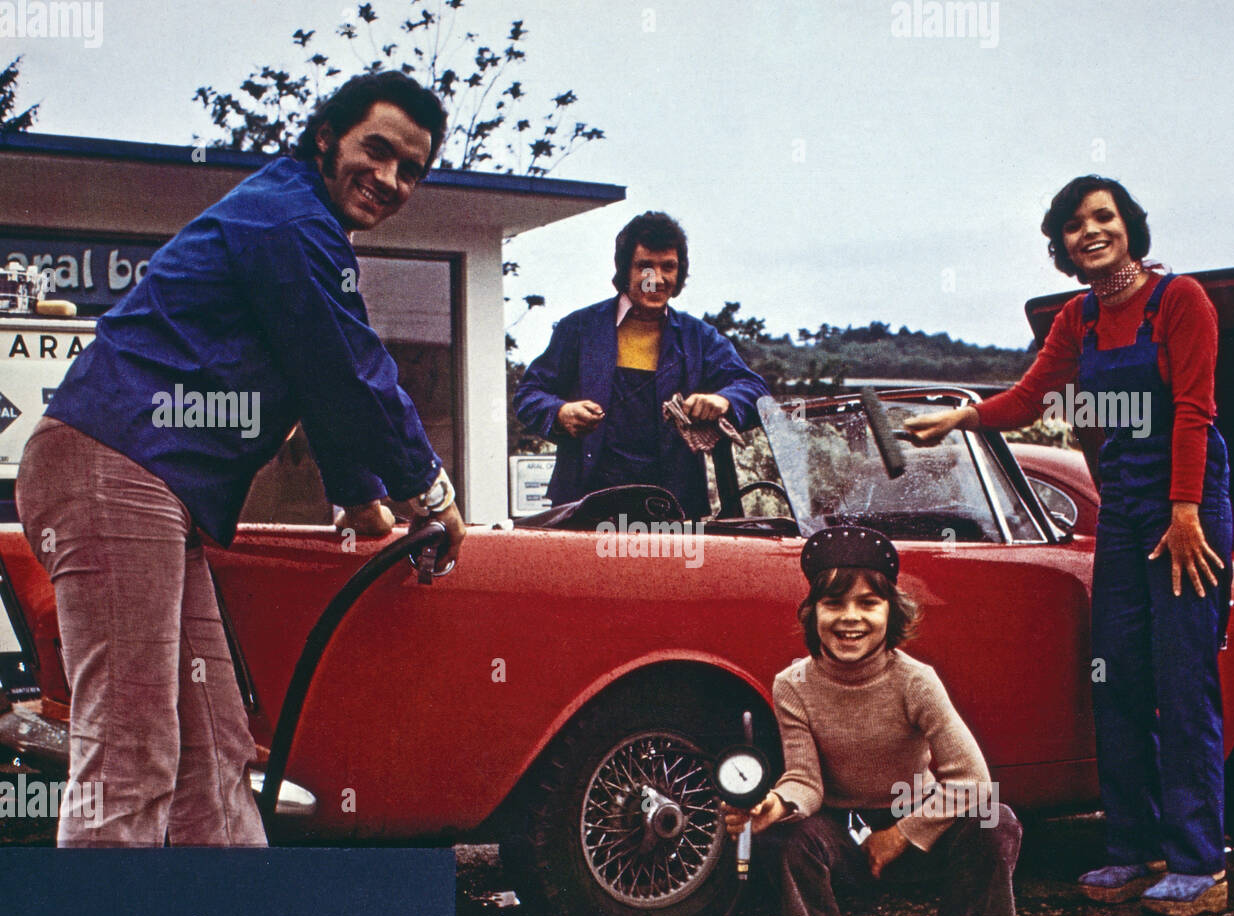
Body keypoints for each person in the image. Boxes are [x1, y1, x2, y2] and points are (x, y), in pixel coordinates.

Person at [15, 71, 466, 848]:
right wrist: (430, 491)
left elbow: (314, 376)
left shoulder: (298, 223)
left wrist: (360, 497)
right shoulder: (289, 219)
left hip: (151, 484)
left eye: (411, 170)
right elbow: (346, 368)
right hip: (115, 465)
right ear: (327, 138)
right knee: (132, 749)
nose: (390, 180)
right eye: (377, 150)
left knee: (214, 752)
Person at [904, 176, 1231, 916]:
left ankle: (1200, 865)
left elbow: (1192, 409)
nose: (1091, 231)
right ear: (1062, 244)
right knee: (1115, 677)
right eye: (1075, 224)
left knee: (1183, 682)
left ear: (1128, 226)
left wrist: (1184, 513)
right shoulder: (1078, 318)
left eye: (1104, 217)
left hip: (1186, 500)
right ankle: (1136, 847)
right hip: (1123, 507)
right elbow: (1028, 398)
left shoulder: (1179, 301)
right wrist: (961, 419)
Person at [724, 526, 1022, 916]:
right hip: (843, 833)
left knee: (996, 821)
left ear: (892, 611)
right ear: (812, 613)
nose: (850, 619)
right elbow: (804, 780)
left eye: (868, 603)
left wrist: (903, 833)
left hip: (915, 826)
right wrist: (774, 805)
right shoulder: (792, 685)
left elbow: (974, 779)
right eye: (833, 603)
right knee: (782, 834)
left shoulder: (916, 681)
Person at [512, 211, 767, 519]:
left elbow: (756, 392)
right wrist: (560, 413)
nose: (656, 279)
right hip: (585, 510)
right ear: (625, 270)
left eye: (668, 267)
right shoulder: (579, 329)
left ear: (680, 273)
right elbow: (529, 394)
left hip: (674, 513)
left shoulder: (699, 337)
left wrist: (722, 400)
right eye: (645, 266)